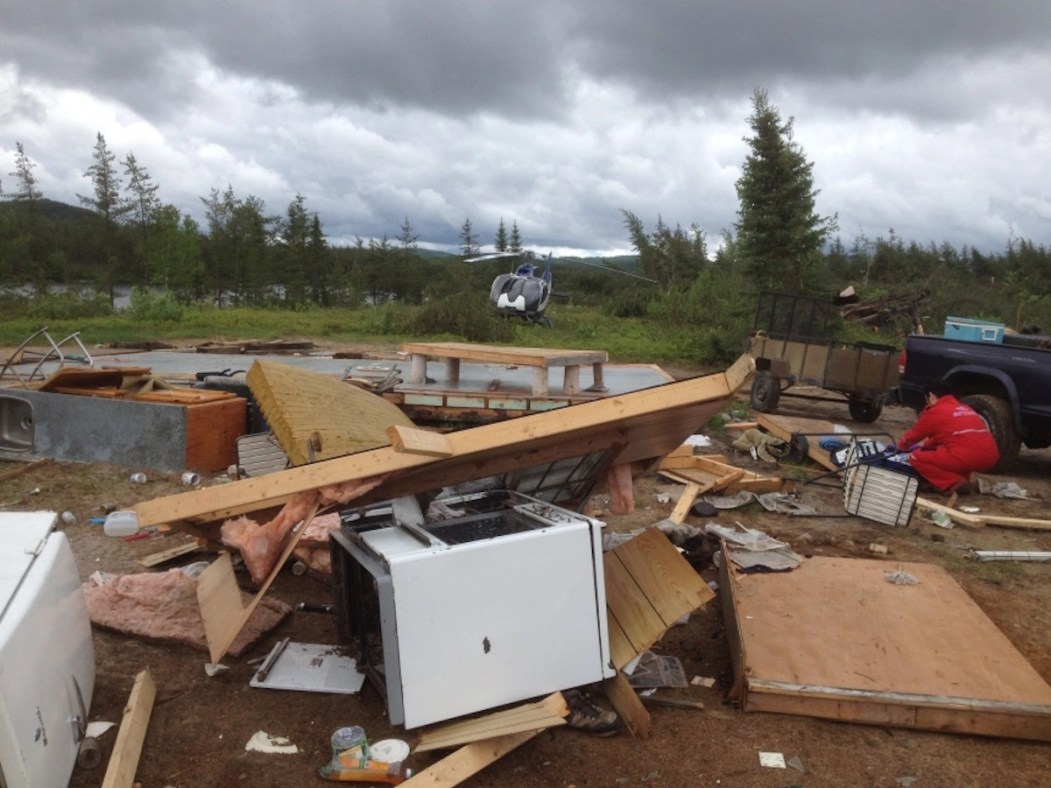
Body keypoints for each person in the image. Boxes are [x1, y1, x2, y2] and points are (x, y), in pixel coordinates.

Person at [897, 380, 1000, 494]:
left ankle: (954, 483)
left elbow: (913, 436)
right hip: (991, 457)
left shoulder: (936, 411)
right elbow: (943, 436)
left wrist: (901, 447)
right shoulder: (964, 408)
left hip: (967, 457)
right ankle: (963, 480)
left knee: (916, 457)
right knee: (951, 453)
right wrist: (925, 445)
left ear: (931, 396)